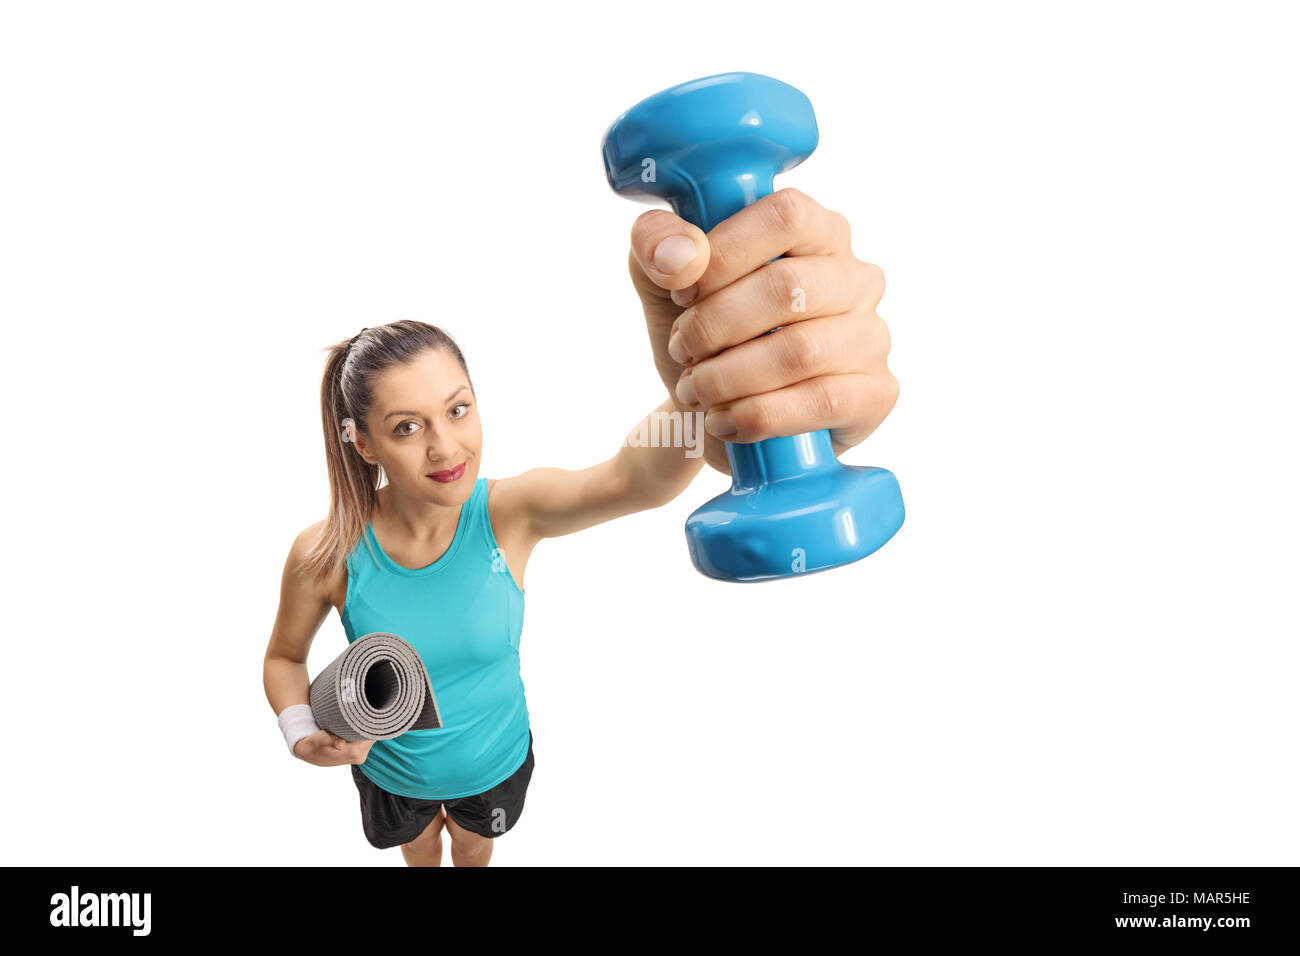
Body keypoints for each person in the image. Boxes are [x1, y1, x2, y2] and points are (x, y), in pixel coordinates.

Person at [262, 188, 900, 866]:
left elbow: (633, 478)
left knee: (474, 852)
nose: (445, 448)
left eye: (458, 410)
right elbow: (284, 658)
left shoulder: (509, 513)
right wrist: (302, 731)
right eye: (407, 428)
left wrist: (703, 386)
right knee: (420, 854)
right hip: (390, 775)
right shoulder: (325, 552)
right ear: (363, 444)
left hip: (494, 763)